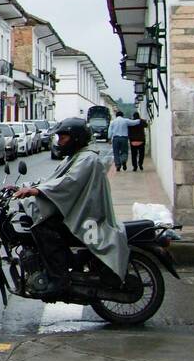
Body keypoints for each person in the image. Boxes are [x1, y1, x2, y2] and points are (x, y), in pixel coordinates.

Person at [13, 117, 128, 295]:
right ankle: (61, 265)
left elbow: (68, 183)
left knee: (42, 227)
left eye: (63, 138)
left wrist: (36, 192)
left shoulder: (88, 159)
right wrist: (24, 187)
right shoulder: (76, 157)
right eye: (59, 138)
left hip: (86, 214)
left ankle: (60, 278)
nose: (60, 142)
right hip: (77, 209)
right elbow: (53, 179)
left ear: (76, 138)